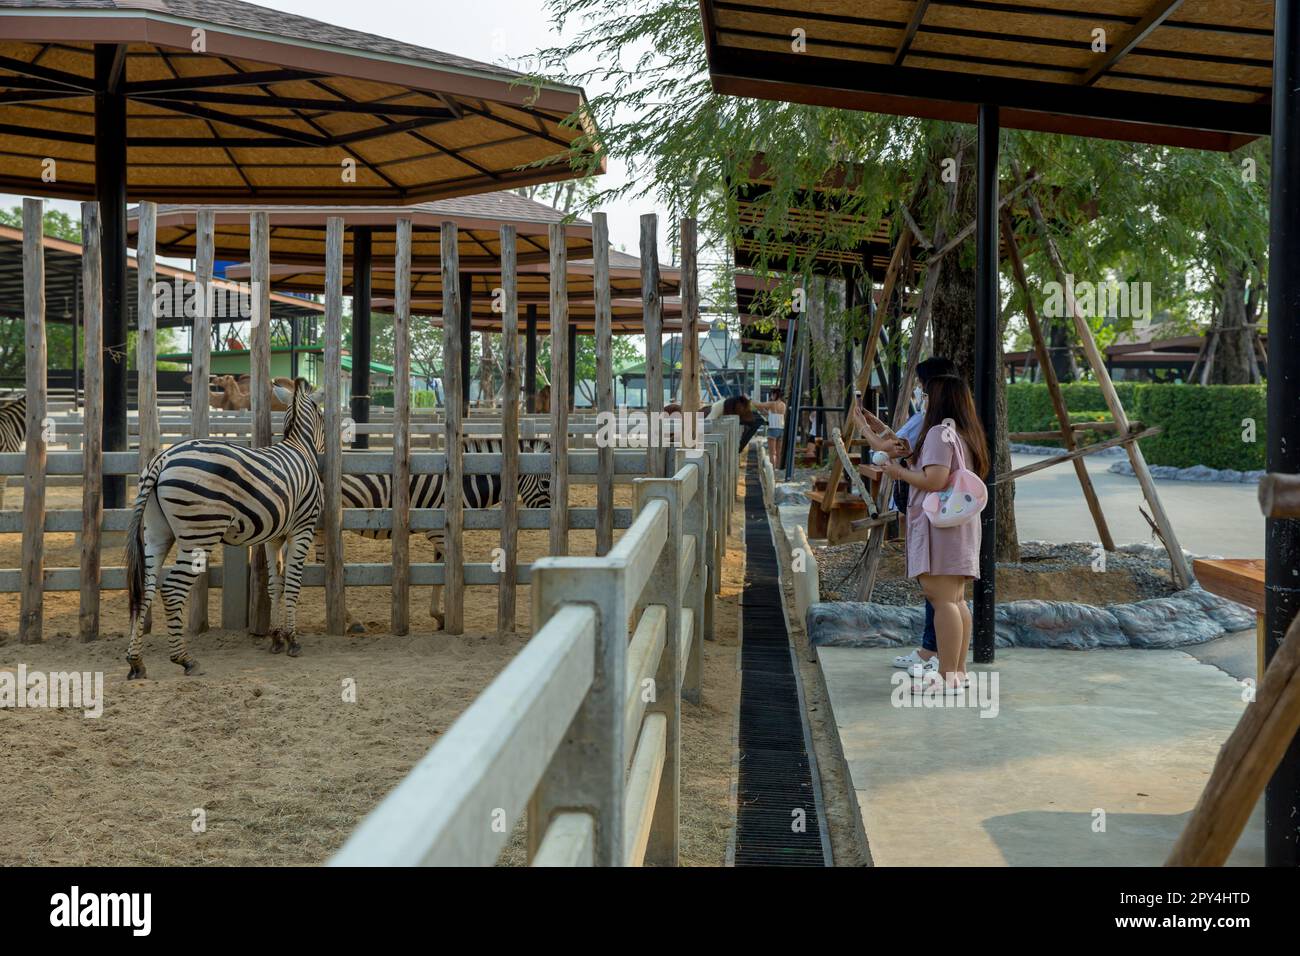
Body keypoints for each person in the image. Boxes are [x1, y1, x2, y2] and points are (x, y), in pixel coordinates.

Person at [879, 375, 989, 691]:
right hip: (960, 527)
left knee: (942, 601)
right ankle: (957, 673)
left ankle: (944, 677)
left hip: (941, 529)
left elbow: (936, 480)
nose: (921, 399)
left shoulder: (940, 433)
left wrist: (897, 471)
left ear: (937, 399)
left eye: (925, 394)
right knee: (955, 600)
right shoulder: (963, 432)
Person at [850, 357, 957, 673]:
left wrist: (866, 433)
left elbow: (889, 451)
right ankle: (946, 664)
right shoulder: (942, 424)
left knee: (941, 596)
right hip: (937, 512)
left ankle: (940, 662)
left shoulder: (937, 427)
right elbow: (901, 445)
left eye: (924, 386)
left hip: (933, 512)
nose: (921, 391)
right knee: (947, 596)